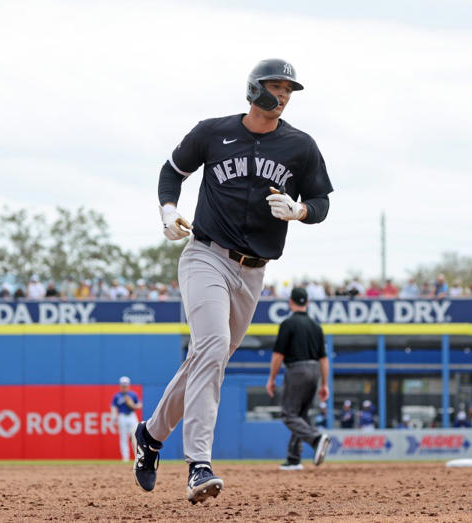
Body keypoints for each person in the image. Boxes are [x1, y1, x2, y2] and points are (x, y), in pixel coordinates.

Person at [132, 58, 333, 504]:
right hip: (206, 255)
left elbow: (320, 200)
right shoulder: (212, 131)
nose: (282, 95)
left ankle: (149, 435)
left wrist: (301, 211)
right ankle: (198, 464)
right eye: (276, 86)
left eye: (289, 89)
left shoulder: (300, 146)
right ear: (254, 88)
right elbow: (172, 171)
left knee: (209, 357)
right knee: (212, 348)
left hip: (254, 271)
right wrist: (168, 209)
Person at [266, 287, 331, 471]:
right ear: (307, 303)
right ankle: (294, 459)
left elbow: (278, 355)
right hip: (314, 371)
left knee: (288, 415)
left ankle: (316, 438)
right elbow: (324, 359)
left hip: (297, 370)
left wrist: (271, 378)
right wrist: (324, 384)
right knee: (300, 415)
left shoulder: (288, 324)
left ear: (291, 302)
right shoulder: (316, 326)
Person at [111, 376, 142, 462]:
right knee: (123, 438)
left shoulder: (132, 394)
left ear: (128, 385)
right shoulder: (117, 396)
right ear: (120, 385)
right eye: (123, 385)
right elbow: (113, 408)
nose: (124, 386)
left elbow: (139, 405)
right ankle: (125, 459)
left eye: (126, 385)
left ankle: (139, 458)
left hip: (131, 416)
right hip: (122, 417)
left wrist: (132, 405)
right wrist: (114, 420)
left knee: (136, 437)